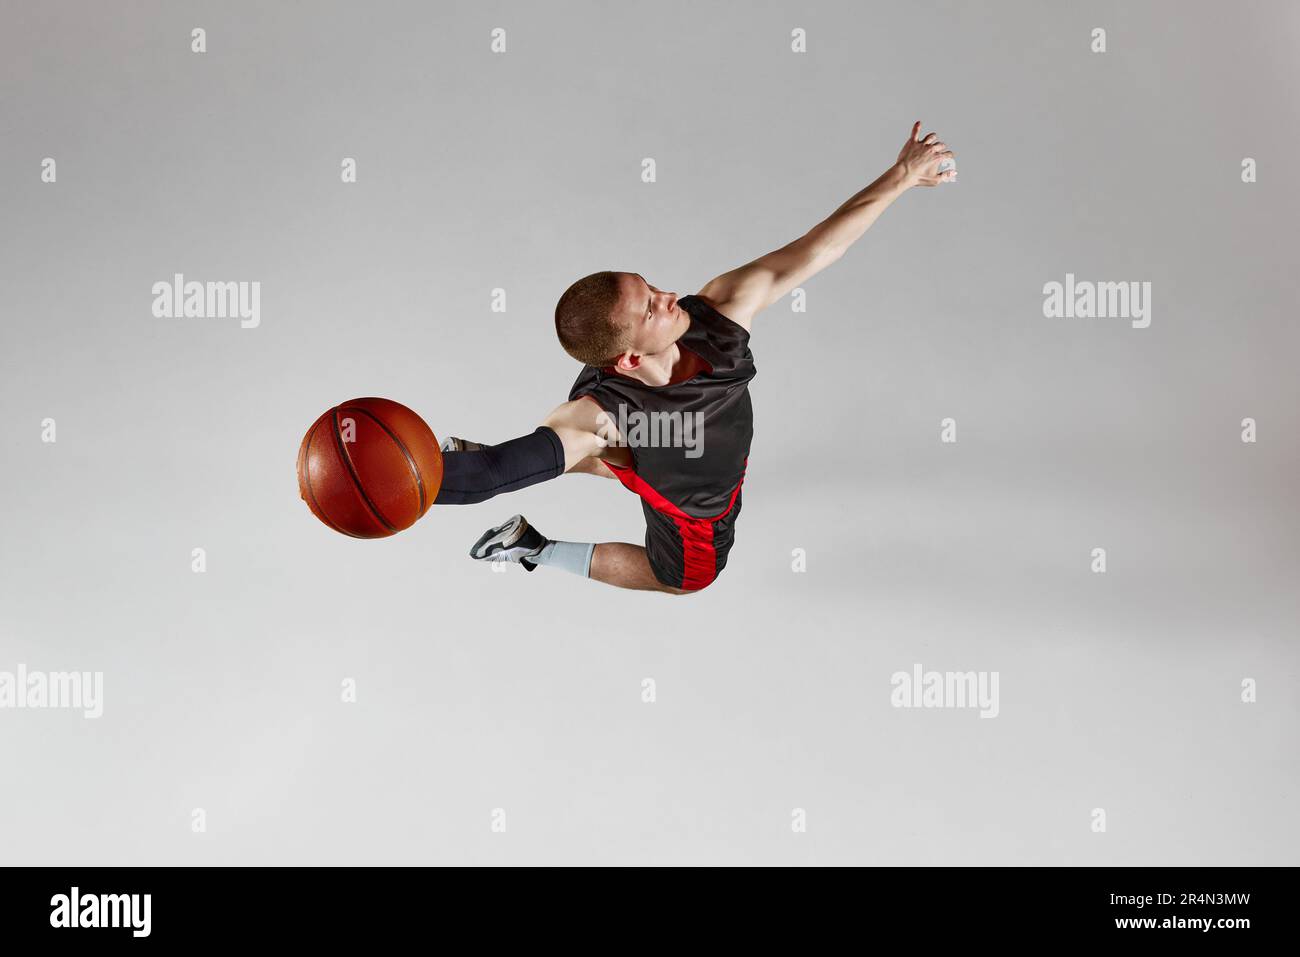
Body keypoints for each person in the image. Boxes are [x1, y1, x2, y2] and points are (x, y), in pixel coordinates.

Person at [435, 121, 956, 593]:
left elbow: (819, 248)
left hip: (665, 447)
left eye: (652, 286)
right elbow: (489, 478)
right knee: (685, 580)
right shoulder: (601, 417)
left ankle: (476, 449)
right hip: (691, 500)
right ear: (631, 360)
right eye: (651, 309)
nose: (670, 296)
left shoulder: (718, 312)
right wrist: (393, 478)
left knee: (631, 453)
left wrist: (902, 176)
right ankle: (533, 548)